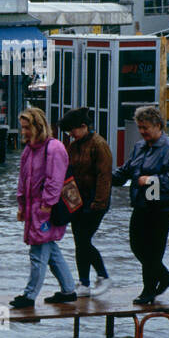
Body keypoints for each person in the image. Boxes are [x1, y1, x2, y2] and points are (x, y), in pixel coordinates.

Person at [112, 105, 169, 304]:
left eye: (145, 128)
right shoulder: (139, 147)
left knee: (153, 250)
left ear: (158, 126)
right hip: (142, 205)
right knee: (137, 246)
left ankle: (148, 291)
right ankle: (165, 277)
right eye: (140, 128)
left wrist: (151, 180)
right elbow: (126, 171)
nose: (142, 132)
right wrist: (104, 177)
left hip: (162, 208)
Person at [10, 107, 77, 308]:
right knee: (50, 249)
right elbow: (23, 180)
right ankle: (68, 289)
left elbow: (54, 181)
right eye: (22, 128)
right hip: (34, 208)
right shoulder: (29, 150)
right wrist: (21, 205)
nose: (23, 132)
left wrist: (47, 204)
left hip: (44, 209)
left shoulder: (54, 148)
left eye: (26, 128)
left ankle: (29, 296)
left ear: (38, 126)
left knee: (38, 252)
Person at [60, 107, 113, 297]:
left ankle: (103, 276)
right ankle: (84, 283)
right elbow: (68, 174)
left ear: (83, 127)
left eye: (72, 131)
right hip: (77, 201)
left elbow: (104, 176)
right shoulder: (73, 146)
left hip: (95, 202)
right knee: (79, 241)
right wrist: (70, 202)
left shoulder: (99, 145)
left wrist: (98, 203)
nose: (70, 135)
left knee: (83, 241)